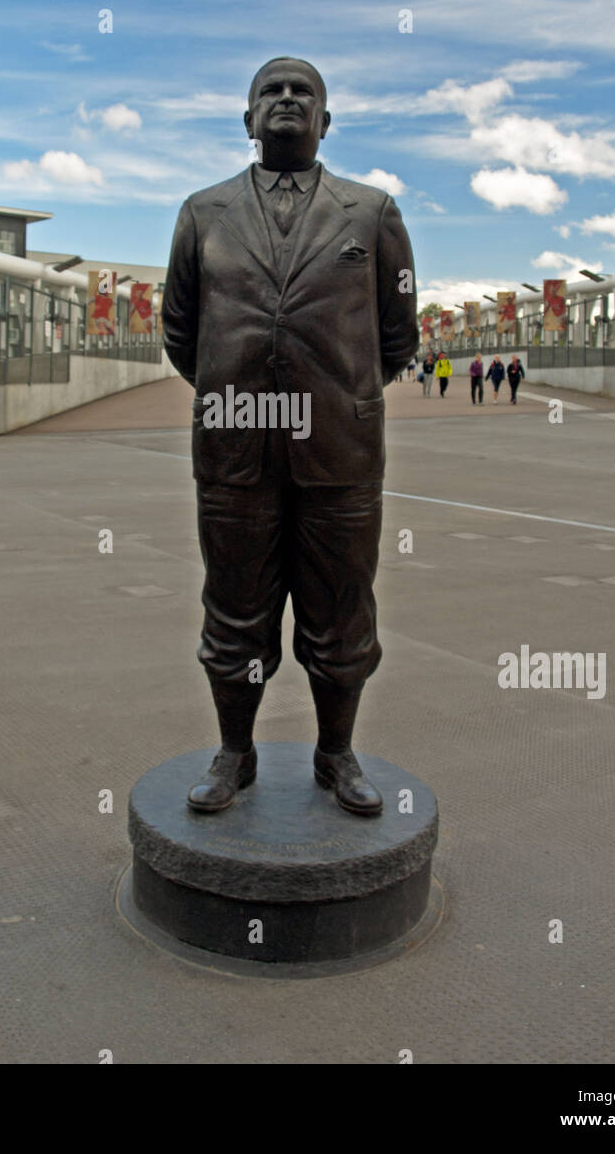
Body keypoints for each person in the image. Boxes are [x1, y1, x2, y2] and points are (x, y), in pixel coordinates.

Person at [162, 56, 418, 816]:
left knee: (341, 610)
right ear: (247, 121)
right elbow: (181, 330)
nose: (284, 100)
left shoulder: (371, 211)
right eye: (268, 92)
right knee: (234, 611)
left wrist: (339, 394)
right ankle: (233, 753)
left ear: (324, 121)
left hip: (339, 452)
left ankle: (335, 754)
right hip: (236, 450)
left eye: (300, 92)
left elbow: (396, 334)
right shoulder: (202, 213)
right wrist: (233, 392)